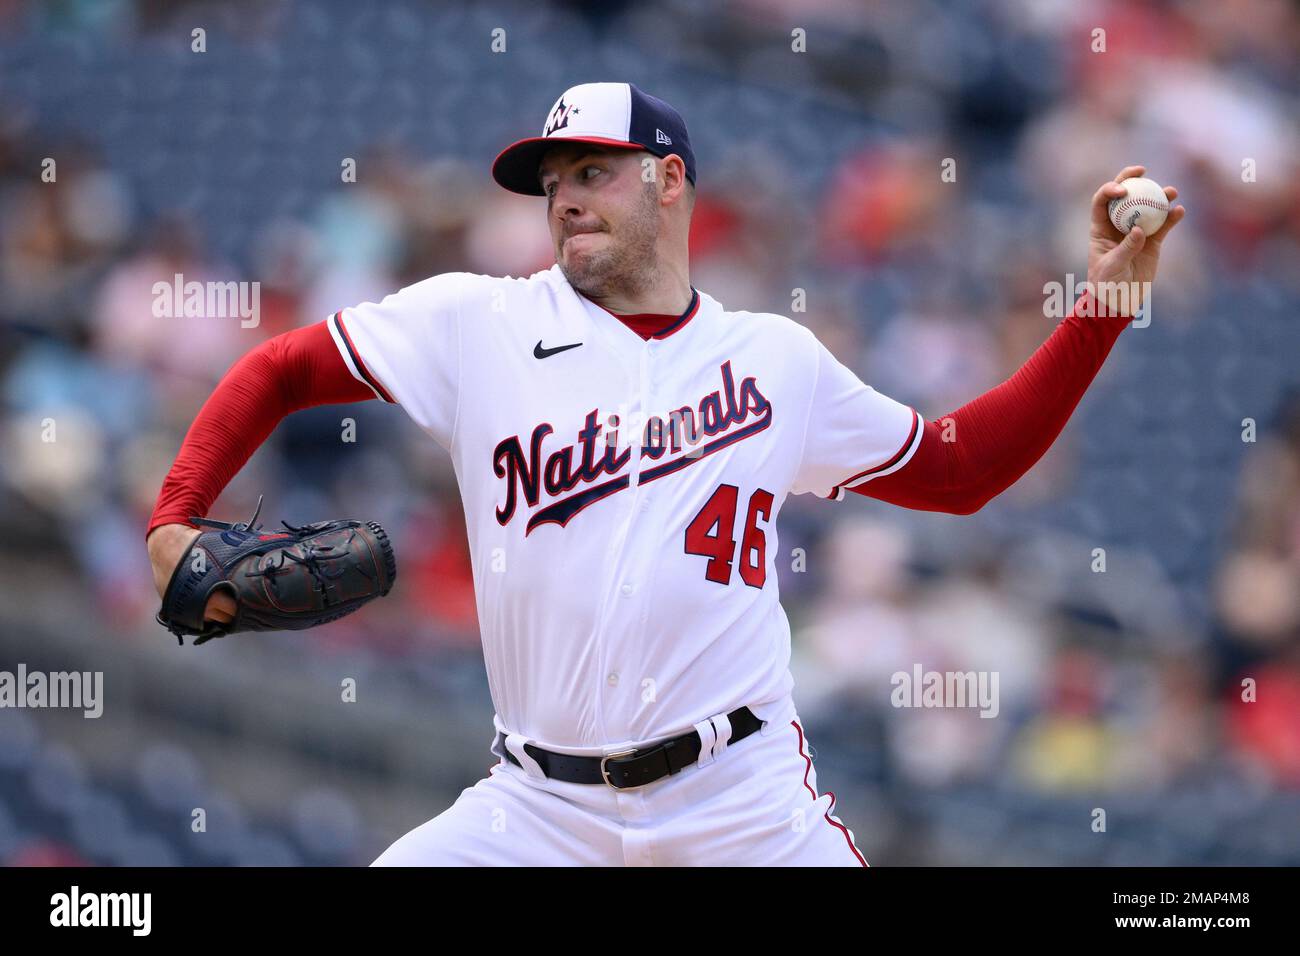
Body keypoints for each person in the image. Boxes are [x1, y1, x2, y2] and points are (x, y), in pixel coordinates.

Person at [146, 82, 1184, 866]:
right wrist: (174, 516)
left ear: (669, 179)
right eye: (552, 183)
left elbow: (964, 470)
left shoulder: (774, 361)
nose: (563, 200)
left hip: (742, 801)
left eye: (592, 171)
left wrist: (1097, 308)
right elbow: (282, 367)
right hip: (536, 809)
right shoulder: (477, 322)